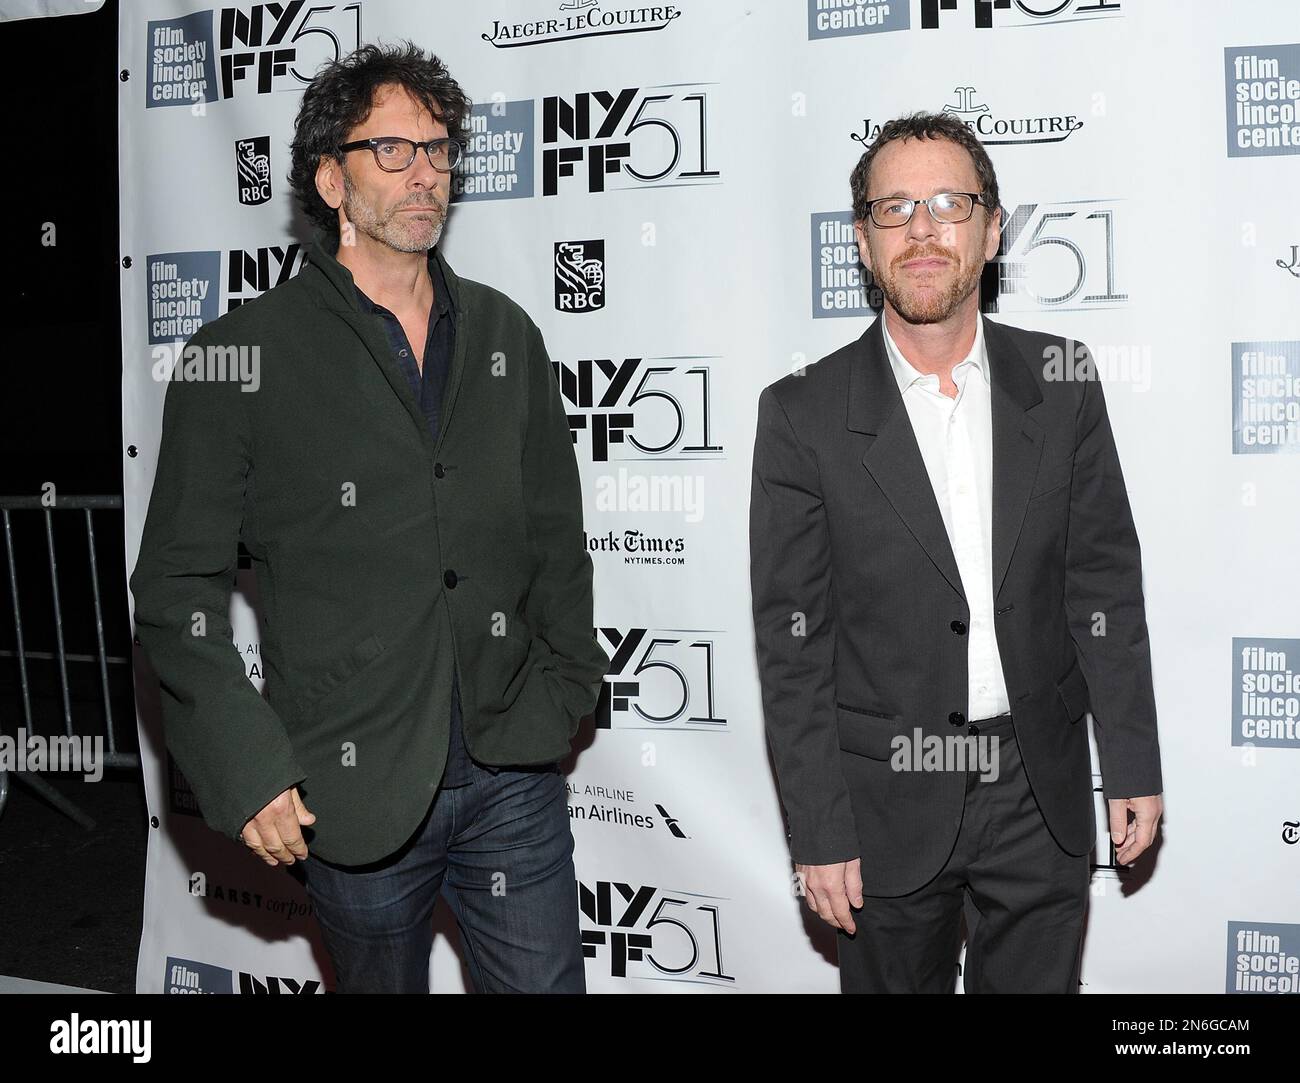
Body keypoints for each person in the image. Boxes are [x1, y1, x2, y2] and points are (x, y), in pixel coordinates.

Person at [130, 42, 608, 993]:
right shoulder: (241, 357)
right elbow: (174, 588)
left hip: (513, 766)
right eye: (392, 151)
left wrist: (567, 685)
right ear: (330, 179)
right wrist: (247, 762)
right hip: (351, 786)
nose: (424, 171)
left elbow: (555, 536)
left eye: (438, 148)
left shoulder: (509, 333)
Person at [748, 111, 1163, 993]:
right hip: (885, 792)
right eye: (894, 209)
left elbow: (1103, 587)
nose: (923, 230)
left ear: (994, 228)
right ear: (862, 242)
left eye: (948, 202)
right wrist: (818, 828)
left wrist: (1130, 762)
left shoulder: (1063, 380)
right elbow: (793, 645)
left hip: (1038, 786)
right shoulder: (802, 414)